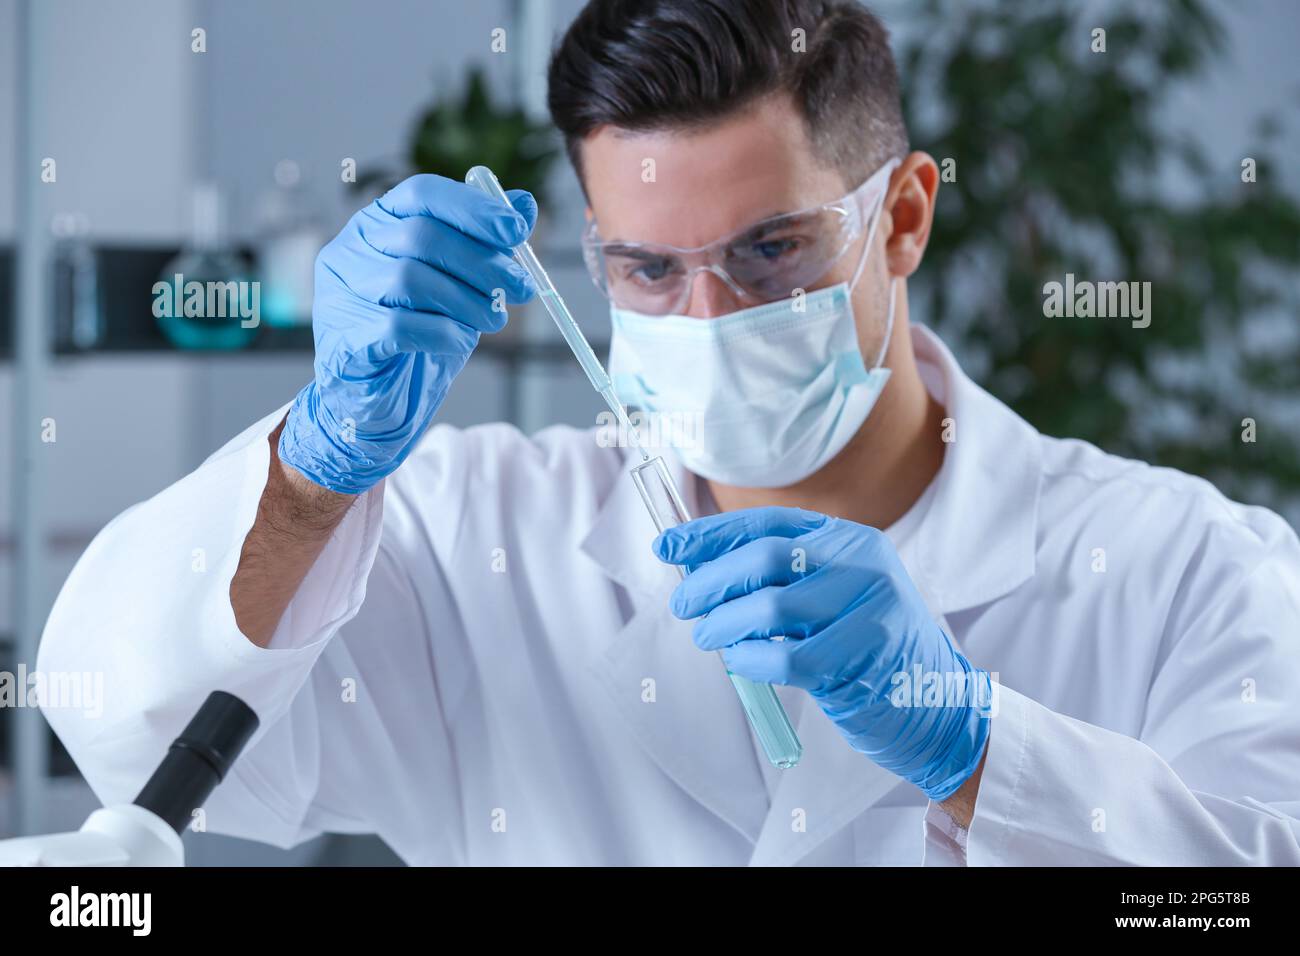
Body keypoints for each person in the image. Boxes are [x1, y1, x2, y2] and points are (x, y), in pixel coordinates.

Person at [38, 0, 1300, 865]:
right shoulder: (473, 540)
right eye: (643, 267)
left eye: (771, 249)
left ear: (904, 218)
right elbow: (123, 729)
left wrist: (978, 745)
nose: (707, 314)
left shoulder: (1182, 567)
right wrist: (317, 464)